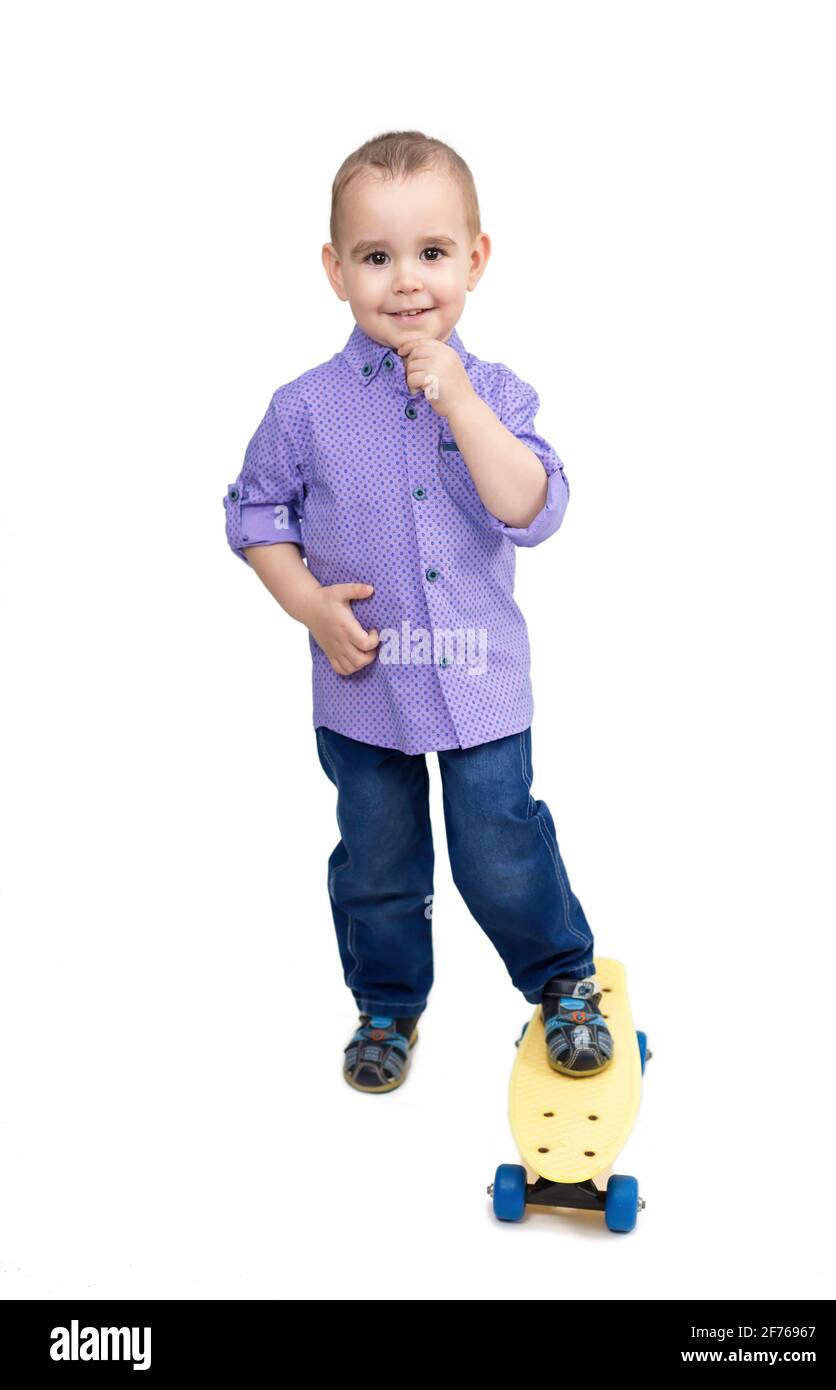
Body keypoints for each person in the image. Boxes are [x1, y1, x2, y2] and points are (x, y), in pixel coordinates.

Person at [223, 130, 613, 1093]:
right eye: (376, 256)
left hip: (478, 678)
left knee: (499, 845)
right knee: (379, 862)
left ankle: (563, 979)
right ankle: (388, 1005)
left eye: (432, 254)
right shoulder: (304, 409)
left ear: (475, 260)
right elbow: (254, 514)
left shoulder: (502, 391)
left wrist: (462, 404)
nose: (406, 281)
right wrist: (307, 603)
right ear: (334, 269)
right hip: (363, 686)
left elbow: (533, 507)